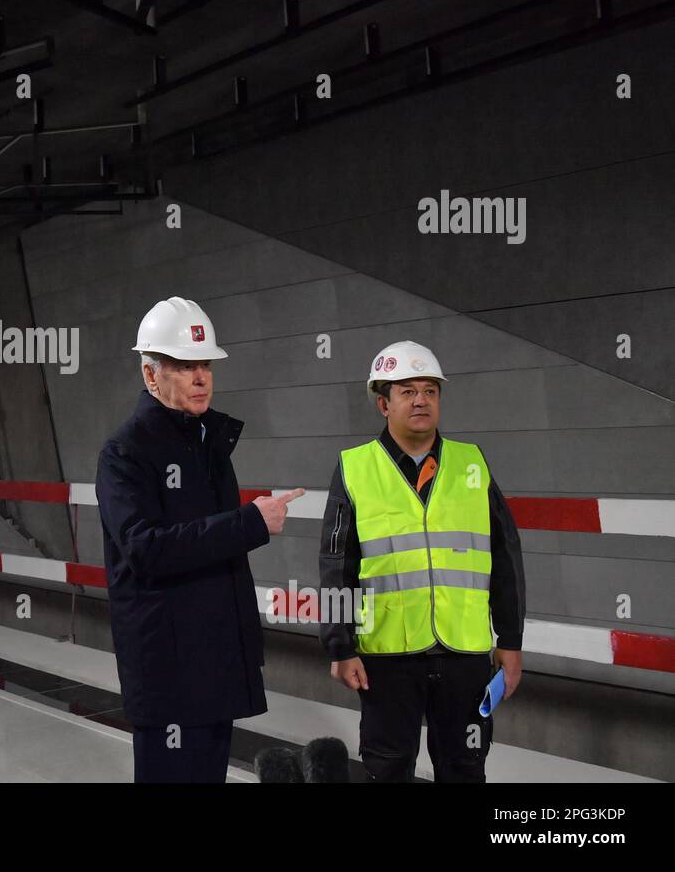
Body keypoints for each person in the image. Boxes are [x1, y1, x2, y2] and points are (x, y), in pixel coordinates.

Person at [96, 296, 301, 783]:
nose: (201, 377)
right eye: (185, 366)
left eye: (205, 364)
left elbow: (212, 551)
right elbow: (146, 548)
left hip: (215, 659)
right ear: (151, 375)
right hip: (168, 666)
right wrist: (250, 522)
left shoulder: (209, 445)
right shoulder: (124, 453)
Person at [317, 340, 526, 782]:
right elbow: (336, 563)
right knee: (388, 768)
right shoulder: (355, 468)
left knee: (466, 768)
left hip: (464, 655)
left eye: (430, 390)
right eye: (407, 391)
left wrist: (510, 638)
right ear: (383, 403)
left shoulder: (472, 464)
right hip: (386, 657)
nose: (420, 400)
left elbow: (506, 554)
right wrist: (339, 645)